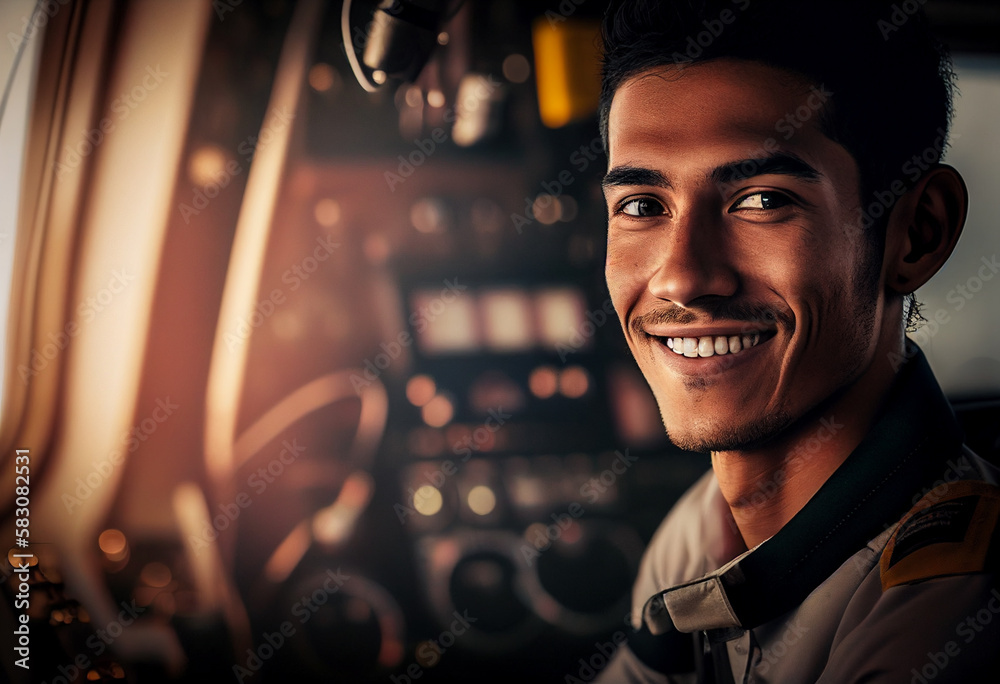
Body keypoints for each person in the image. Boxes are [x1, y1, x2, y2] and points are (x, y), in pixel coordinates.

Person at [594, 1, 1000, 682]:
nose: (681, 279)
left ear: (917, 233)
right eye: (642, 206)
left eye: (762, 200)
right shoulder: (699, 531)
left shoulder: (949, 609)